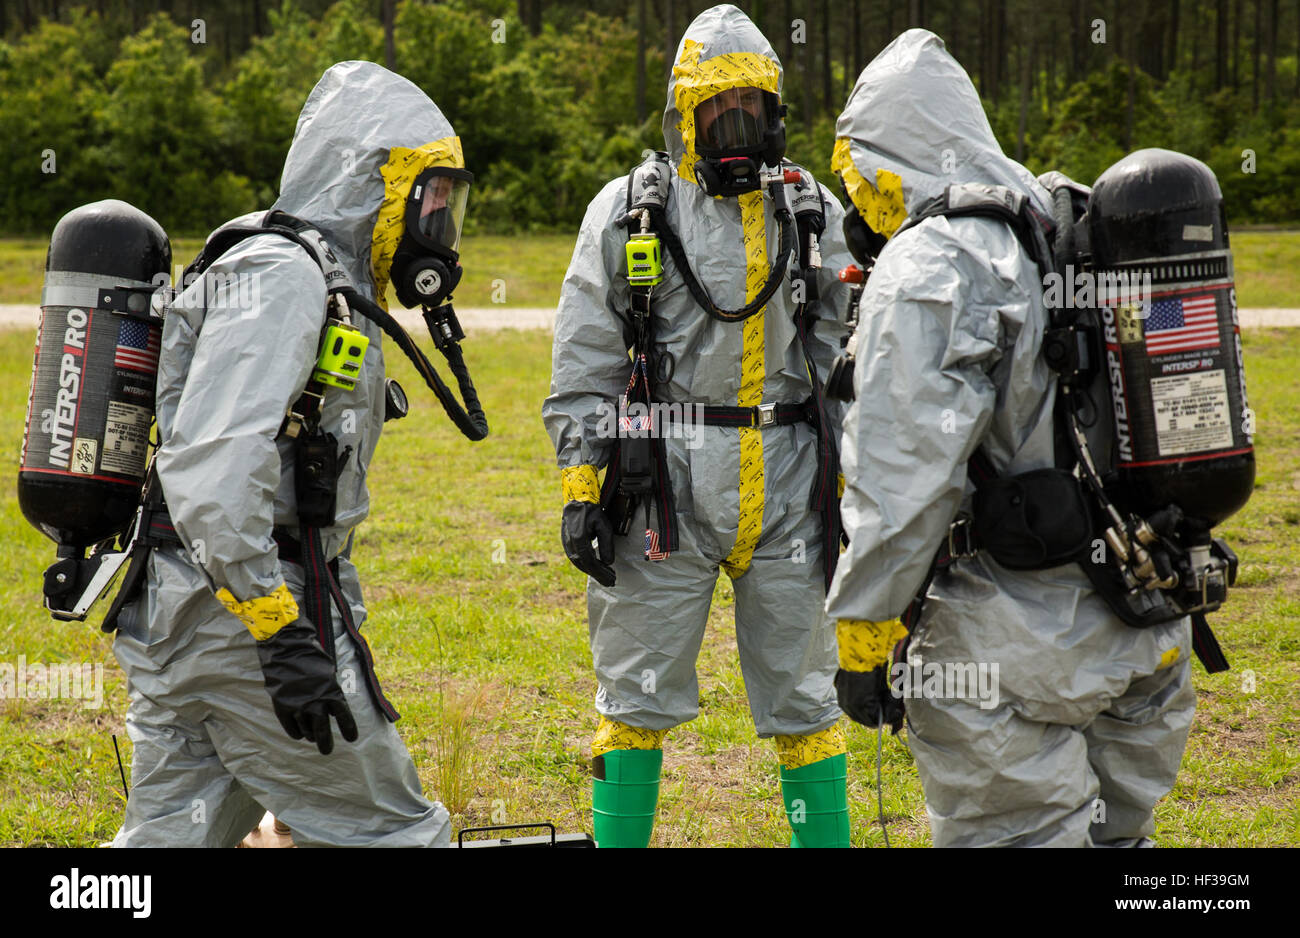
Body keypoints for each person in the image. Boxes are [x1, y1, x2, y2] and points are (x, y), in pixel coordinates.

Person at [826, 30, 1195, 847]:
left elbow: (902, 480)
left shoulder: (931, 263)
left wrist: (864, 634)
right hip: (1144, 621)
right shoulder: (1067, 214)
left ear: (891, 159)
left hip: (1005, 651)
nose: (861, 212)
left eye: (861, 186)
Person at [109, 60, 474, 847]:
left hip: (187, 612)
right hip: (244, 622)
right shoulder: (283, 276)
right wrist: (280, 635)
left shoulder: (313, 271)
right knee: (395, 835)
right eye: (430, 199)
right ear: (369, 183)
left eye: (449, 203)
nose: (438, 224)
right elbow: (215, 472)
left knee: (171, 842)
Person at [543, 3, 856, 848]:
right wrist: (582, 486)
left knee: (807, 698)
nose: (736, 127)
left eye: (752, 107)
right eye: (719, 110)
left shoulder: (810, 211)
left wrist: (861, 482)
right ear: (686, 115)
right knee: (633, 693)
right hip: (662, 490)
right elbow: (585, 357)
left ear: (775, 112)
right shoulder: (630, 212)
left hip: (790, 479)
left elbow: (846, 356)